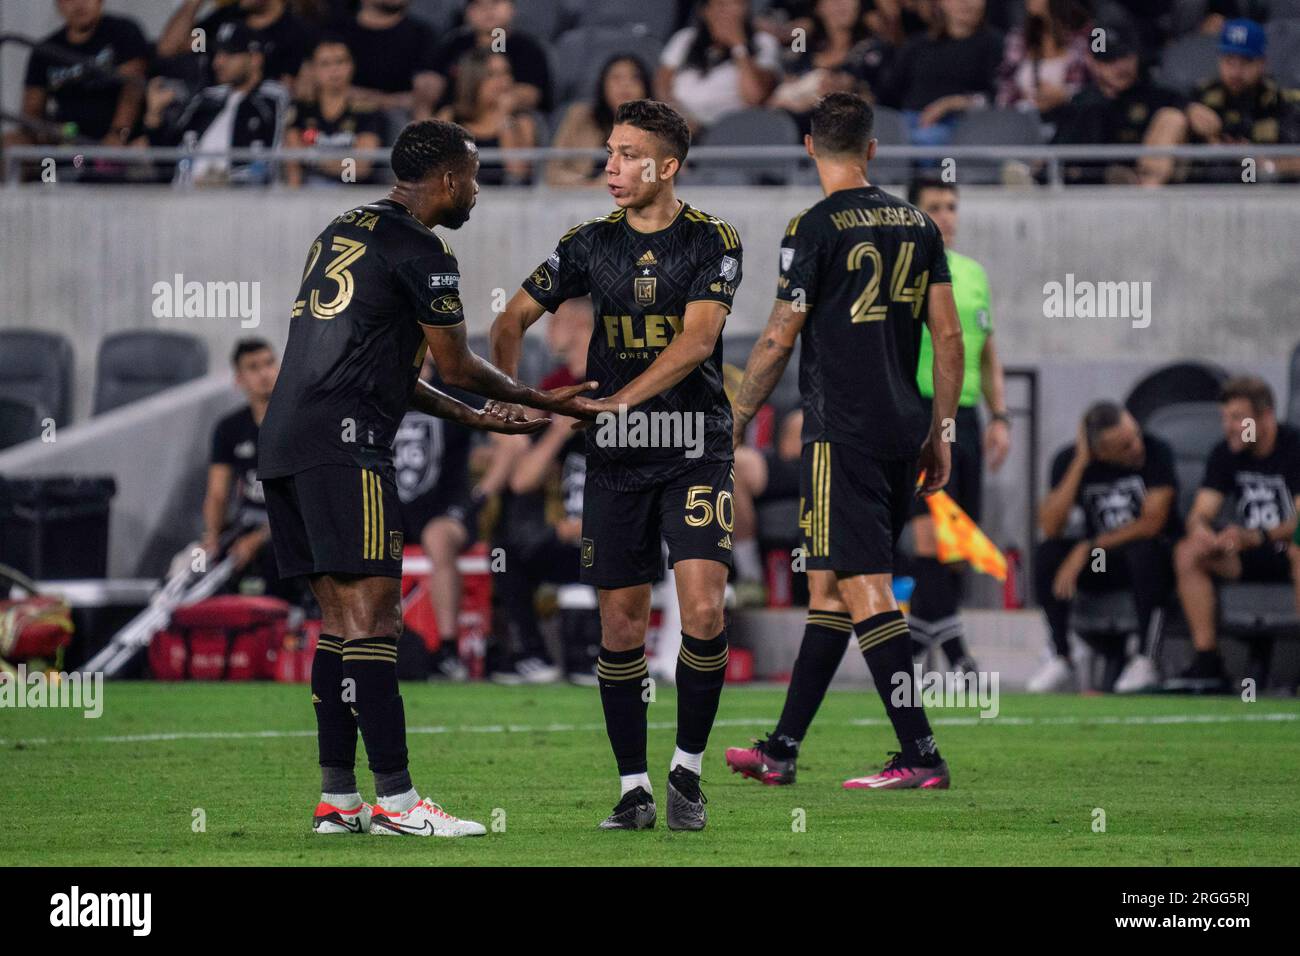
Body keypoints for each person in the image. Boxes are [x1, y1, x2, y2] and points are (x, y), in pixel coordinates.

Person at [256, 119, 600, 839]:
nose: (476, 190)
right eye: (473, 176)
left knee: (338, 627)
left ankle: (338, 801)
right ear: (447, 180)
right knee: (376, 623)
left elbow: (398, 374)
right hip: (348, 448)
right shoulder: (425, 250)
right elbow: (456, 365)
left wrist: (481, 422)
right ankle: (400, 803)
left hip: (287, 442)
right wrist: (539, 398)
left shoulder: (343, 229)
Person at [490, 99, 743, 831]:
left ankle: (686, 773)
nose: (612, 165)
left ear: (668, 167)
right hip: (615, 460)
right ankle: (633, 790)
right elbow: (509, 322)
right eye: (609, 151)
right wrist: (517, 403)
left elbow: (699, 342)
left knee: (702, 608)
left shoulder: (714, 240)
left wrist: (625, 397)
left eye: (629, 154)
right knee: (621, 628)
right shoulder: (586, 245)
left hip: (695, 446)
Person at [724, 91, 963, 789]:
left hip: (841, 435)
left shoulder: (813, 226)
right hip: (901, 428)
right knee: (828, 590)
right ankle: (782, 748)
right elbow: (947, 337)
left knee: (862, 585)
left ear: (808, 148)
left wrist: (737, 419)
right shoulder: (919, 224)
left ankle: (920, 752)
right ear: (872, 149)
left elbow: (776, 337)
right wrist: (940, 429)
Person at [903, 176, 1009, 673]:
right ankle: (957, 656)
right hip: (922, 410)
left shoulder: (974, 274)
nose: (946, 215)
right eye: (935, 207)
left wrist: (1001, 416)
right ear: (917, 215)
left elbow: (987, 354)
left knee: (957, 542)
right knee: (930, 536)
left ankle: (916, 647)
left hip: (965, 416)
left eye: (951, 206)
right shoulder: (906, 272)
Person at [1031, 402, 1178, 694]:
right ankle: (1061, 655)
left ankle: (1146, 660)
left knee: (1144, 552)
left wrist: (1090, 545)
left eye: (1135, 436)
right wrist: (1080, 463)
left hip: (1146, 558)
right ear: (1098, 450)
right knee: (1048, 552)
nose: (1136, 447)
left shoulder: (1157, 451)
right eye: (1124, 446)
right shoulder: (1071, 460)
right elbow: (1050, 526)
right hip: (1101, 562)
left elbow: (1153, 522)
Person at [1166, 377, 1300, 693]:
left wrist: (1259, 536)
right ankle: (1208, 661)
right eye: (1225, 418)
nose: (1229, 427)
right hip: (1248, 550)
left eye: (1238, 418)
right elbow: (1201, 512)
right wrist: (1203, 533)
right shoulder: (1226, 452)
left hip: (1283, 547)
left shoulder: (1293, 448)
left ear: (1266, 417)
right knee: (1188, 552)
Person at [492, 298, 597, 684]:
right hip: (563, 525)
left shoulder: (619, 386)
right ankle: (531, 654)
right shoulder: (556, 385)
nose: (549, 331)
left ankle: (592, 654)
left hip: (612, 522)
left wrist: (591, 523)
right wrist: (553, 429)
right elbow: (521, 477)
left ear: (580, 325)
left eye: (556, 323)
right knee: (505, 547)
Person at [202, 339, 300, 603]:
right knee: (191, 565)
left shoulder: (299, 422)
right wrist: (211, 537)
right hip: (245, 526)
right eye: (254, 367)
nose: (265, 373)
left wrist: (257, 540)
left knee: (272, 558)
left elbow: (302, 501)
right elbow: (217, 493)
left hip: (291, 527)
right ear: (239, 379)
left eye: (269, 363)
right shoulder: (229, 428)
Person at [141, 21, 289, 185]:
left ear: (255, 59)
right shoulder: (206, 98)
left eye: (229, 54)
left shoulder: (272, 98)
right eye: (217, 54)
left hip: (239, 201)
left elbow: (271, 159)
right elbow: (166, 159)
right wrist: (154, 115)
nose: (218, 62)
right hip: (184, 198)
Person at [1051, 17, 1187, 186]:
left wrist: (1192, 109)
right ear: (1093, 62)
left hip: (1149, 191)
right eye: (1110, 59)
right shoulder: (1081, 105)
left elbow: (1183, 109)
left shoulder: (1157, 96)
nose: (1121, 66)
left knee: (1172, 118)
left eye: (1125, 56)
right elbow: (1062, 161)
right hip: (1092, 198)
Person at [13, 0, 149, 155]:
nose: (79, 4)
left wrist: (118, 133)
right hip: (67, 142)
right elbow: (31, 110)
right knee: (11, 142)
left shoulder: (123, 31)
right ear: (58, 4)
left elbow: (133, 88)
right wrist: (46, 133)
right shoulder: (45, 50)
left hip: (121, 140)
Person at [1184, 19, 1300, 182]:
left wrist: (1262, 162)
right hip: (1206, 194)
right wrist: (1189, 112)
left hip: (1268, 196)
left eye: (1246, 62)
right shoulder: (1201, 97)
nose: (1236, 72)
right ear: (1219, 60)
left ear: (1262, 63)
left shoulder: (1282, 102)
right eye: (1229, 61)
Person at [877, 0, 1003, 149]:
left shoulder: (995, 44)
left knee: (924, 140)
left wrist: (951, 103)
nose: (966, 4)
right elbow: (890, 92)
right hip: (908, 121)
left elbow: (997, 97)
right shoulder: (917, 45)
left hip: (962, 125)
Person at [657, 0, 782, 132]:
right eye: (720, 5)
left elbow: (754, 97)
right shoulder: (686, 38)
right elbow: (662, 84)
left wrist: (738, 45)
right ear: (705, 11)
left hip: (735, 129)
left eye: (734, 4)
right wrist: (676, 115)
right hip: (682, 127)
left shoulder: (764, 43)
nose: (725, 13)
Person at [769, 0, 892, 129]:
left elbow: (881, 98)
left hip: (852, 134)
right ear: (818, 7)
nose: (842, 5)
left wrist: (844, 91)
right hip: (802, 133)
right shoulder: (803, 49)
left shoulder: (875, 50)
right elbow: (782, 94)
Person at [284, 37, 385, 188]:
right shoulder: (300, 111)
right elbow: (293, 166)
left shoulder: (367, 112)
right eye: (325, 64)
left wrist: (311, 158)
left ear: (351, 66)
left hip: (354, 199)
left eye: (340, 61)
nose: (334, 70)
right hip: (307, 199)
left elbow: (358, 170)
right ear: (313, 70)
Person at [157, 0, 315, 93]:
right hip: (210, 110)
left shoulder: (296, 32)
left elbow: (296, 90)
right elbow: (170, 48)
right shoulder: (224, 18)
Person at [547, 55, 652, 187]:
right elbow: (553, 171)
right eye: (616, 78)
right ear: (603, 86)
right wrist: (588, 186)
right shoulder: (579, 117)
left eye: (634, 78)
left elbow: (659, 178)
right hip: (580, 199)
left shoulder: (659, 126)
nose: (625, 85)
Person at [432, 0, 553, 114]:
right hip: (455, 117)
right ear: (467, 12)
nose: (487, 10)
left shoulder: (527, 49)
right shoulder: (455, 44)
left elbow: (531, 94)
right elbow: (432, 81)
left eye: (495, 2)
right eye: (478, 4)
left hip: (506, 118)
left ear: (511, 7)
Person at [327, 0, 441, 120]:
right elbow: (326, 87)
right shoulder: (337, 32)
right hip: (345, 123)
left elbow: (426, 97)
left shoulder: (423, 35)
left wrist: (367, 98)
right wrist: (389, 101)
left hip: (405, 124)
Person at [437, 50, 537, 186]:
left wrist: (504, 117)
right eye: (492, 75)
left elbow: (517, 174)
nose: (504, 82)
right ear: (473, 79)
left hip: (508, 202)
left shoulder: (523, 122)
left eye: (506, 73)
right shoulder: (450, 117)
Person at [994, 0, 1090, 126]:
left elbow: (1099, 84)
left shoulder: (1089, 35)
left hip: (1073, 124)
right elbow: (1005, 84)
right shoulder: (1018, 37)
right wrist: (1023, 101)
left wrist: (1065, 96)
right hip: (1023, 125)